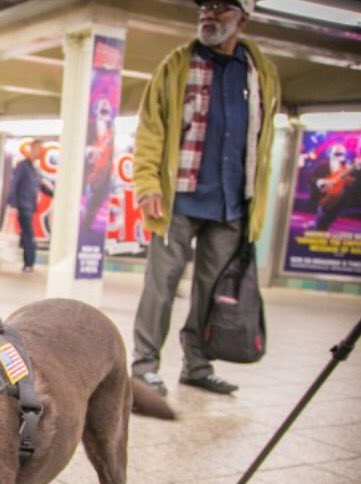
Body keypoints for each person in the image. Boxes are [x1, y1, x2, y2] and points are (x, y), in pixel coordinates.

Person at [131, 0, 279, 396]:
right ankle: (144, 367)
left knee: (210, 293)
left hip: (232, 203)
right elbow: (150, 130)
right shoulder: (177, 65)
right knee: (160, 286)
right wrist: (147, 185)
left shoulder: (259, 72)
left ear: (242, 19)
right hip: (177, 200)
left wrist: (254, 206)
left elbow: (263, 140)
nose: (208, 14)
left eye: (221, 7)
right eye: (205, 6)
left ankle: (197, 364)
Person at [6, 139, 53, 273]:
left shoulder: (34, 169)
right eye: (38, 149)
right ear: (32, 149)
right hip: (22, 205)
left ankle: (29, 263)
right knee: (28, 235)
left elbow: (41, 186)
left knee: (27, 235)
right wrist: (12, 204)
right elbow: (14, 183)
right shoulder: (23, 166)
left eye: (41, 150)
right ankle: (29, 263)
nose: (40, 152)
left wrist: (54, 193)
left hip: (30, 206)